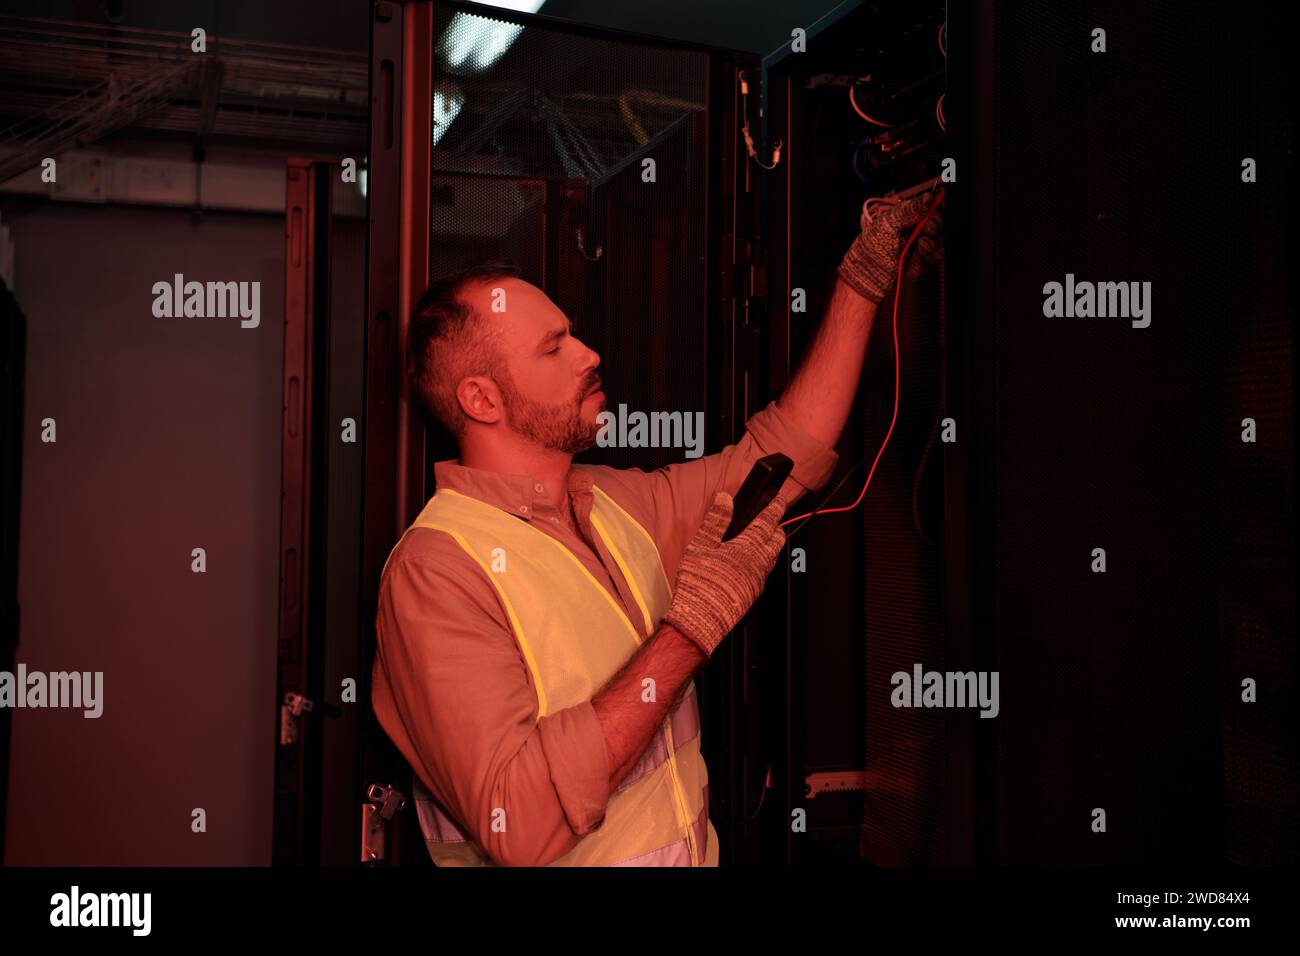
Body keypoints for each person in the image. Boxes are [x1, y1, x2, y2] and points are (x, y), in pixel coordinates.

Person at [371, 192, 943, 866]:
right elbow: (517, 825)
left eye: (573, 334)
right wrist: (690, 630)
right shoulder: (436, 572)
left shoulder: (616, 506)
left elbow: (780, 457)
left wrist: (862, 277)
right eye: (554, 348)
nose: (588, 354)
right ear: (481, 399)